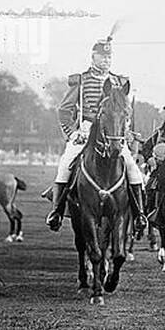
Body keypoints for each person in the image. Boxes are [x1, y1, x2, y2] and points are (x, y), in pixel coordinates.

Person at [46, 38, 147, 230]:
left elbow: (125, 111)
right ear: (93, 57)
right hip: (86, 127)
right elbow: (64, 110)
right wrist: (72, 133)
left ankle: (139, 214)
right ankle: (56, 212)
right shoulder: (82, 80)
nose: (106, 61)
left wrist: (125, 130)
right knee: (66, 163)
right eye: (102, 57)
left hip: (111, 131)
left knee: (133, 169)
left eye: (109, 57)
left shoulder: (119, 81)